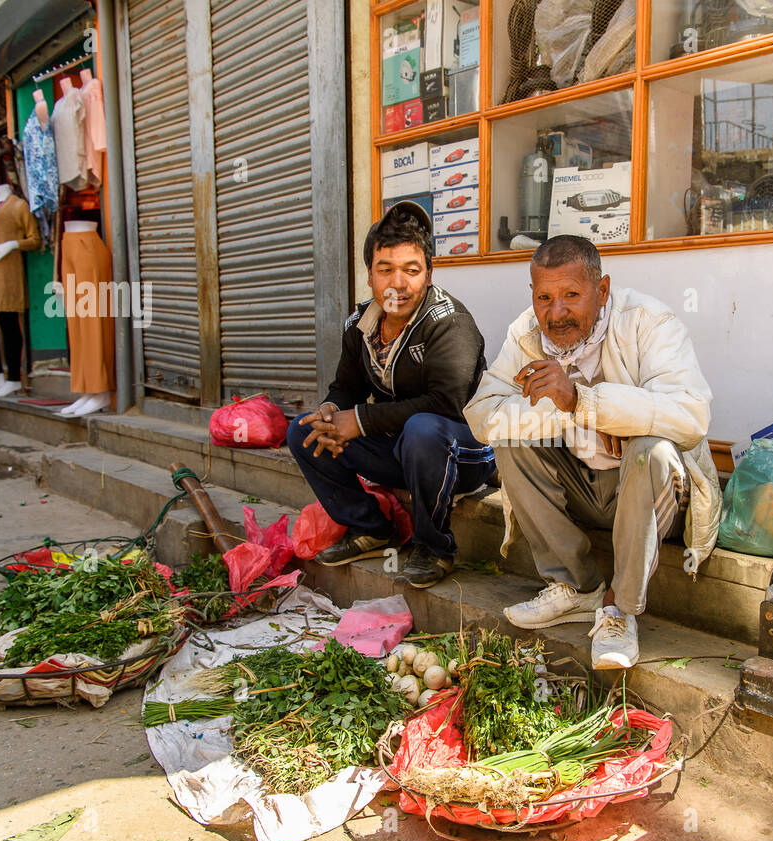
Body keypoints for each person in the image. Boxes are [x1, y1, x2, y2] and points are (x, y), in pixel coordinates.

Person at [463, 235, 721, 669]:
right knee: (511, 440)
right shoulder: (525, 332)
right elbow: (483, 415)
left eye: (571, 295)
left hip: (650, 499)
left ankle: (620, 608)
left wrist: (590, 403)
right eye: (544, 297)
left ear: (601, 291)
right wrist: (574, 414)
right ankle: (576, 588)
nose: (556, 312)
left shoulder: (648, 321)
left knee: (650, 448)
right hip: (584, 487)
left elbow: (691, 416)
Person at [286, 201, 494, 588]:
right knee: (303, 430)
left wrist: (360, 421)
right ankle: (370, 529)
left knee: (423, 429)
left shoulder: (451, 323)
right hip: (402, 449)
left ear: (429, 275)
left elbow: (447, 403)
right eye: (385, 270)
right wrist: (332, 409)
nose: (397, 283)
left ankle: (434, 548)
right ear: (370, 275)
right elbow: (347, 387)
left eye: (411, 271)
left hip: (462, 454)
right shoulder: (361, 322)